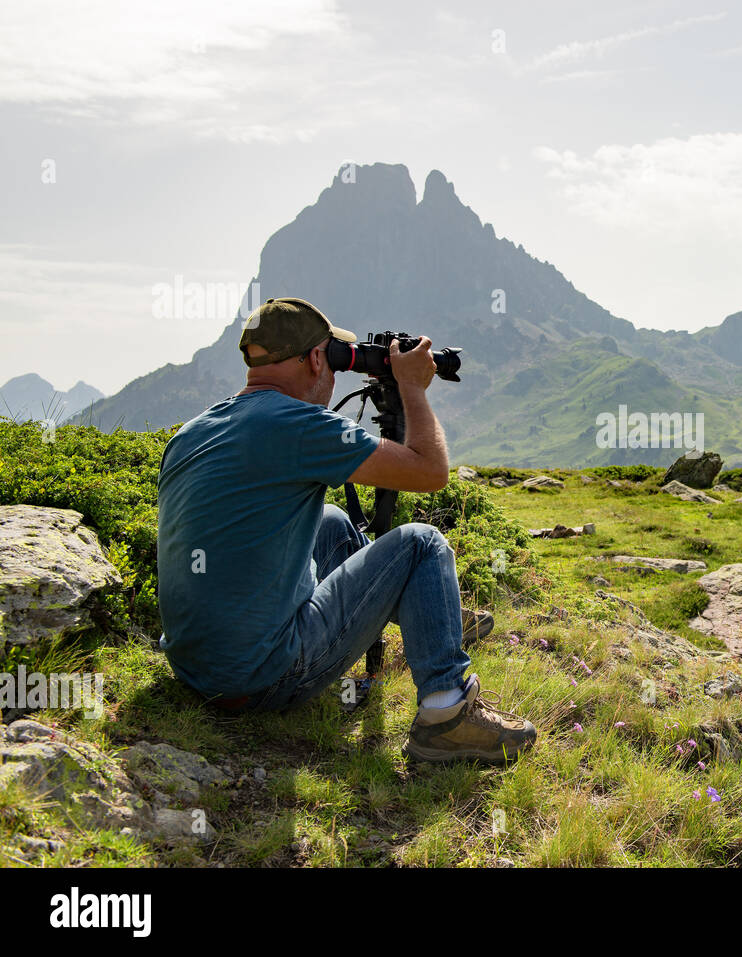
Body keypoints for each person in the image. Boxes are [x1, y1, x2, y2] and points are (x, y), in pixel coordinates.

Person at [155, 297, 536, 765]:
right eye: (334, 361)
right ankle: (447, 715)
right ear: (318, 358)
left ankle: (435, 615)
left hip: (194, 669)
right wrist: (413, 389)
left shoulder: (194, 429)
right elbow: (430, 471)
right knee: (420, 543)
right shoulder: (299, 425)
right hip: (262, 679)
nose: (335, 376)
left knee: (333, 521)